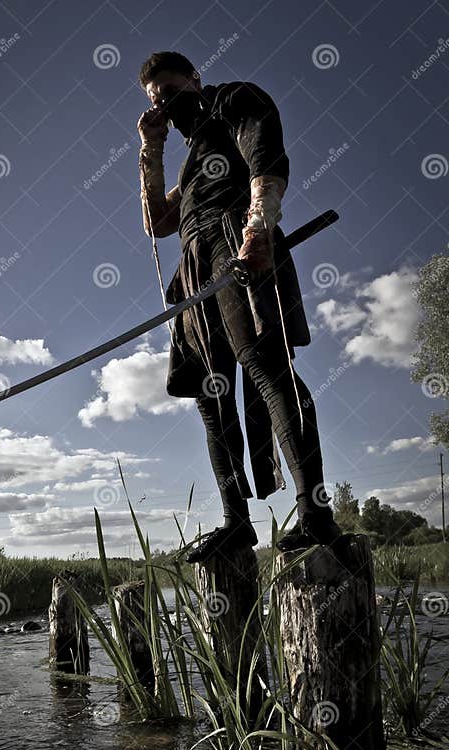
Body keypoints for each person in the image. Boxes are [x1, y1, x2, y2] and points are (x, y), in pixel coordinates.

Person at [137, 51, 343, 562]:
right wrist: (151, 149)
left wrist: (258, 229)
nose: (163, 102)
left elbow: (264, 156)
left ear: (194, 78)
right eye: (155, 99)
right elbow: (158, 222)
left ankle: (316, 515)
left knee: (267, 368)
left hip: (235, 237)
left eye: (169, 89)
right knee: (210, 395)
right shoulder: (188, 158)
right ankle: (236, 523)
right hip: (193, 265)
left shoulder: (232, 98)